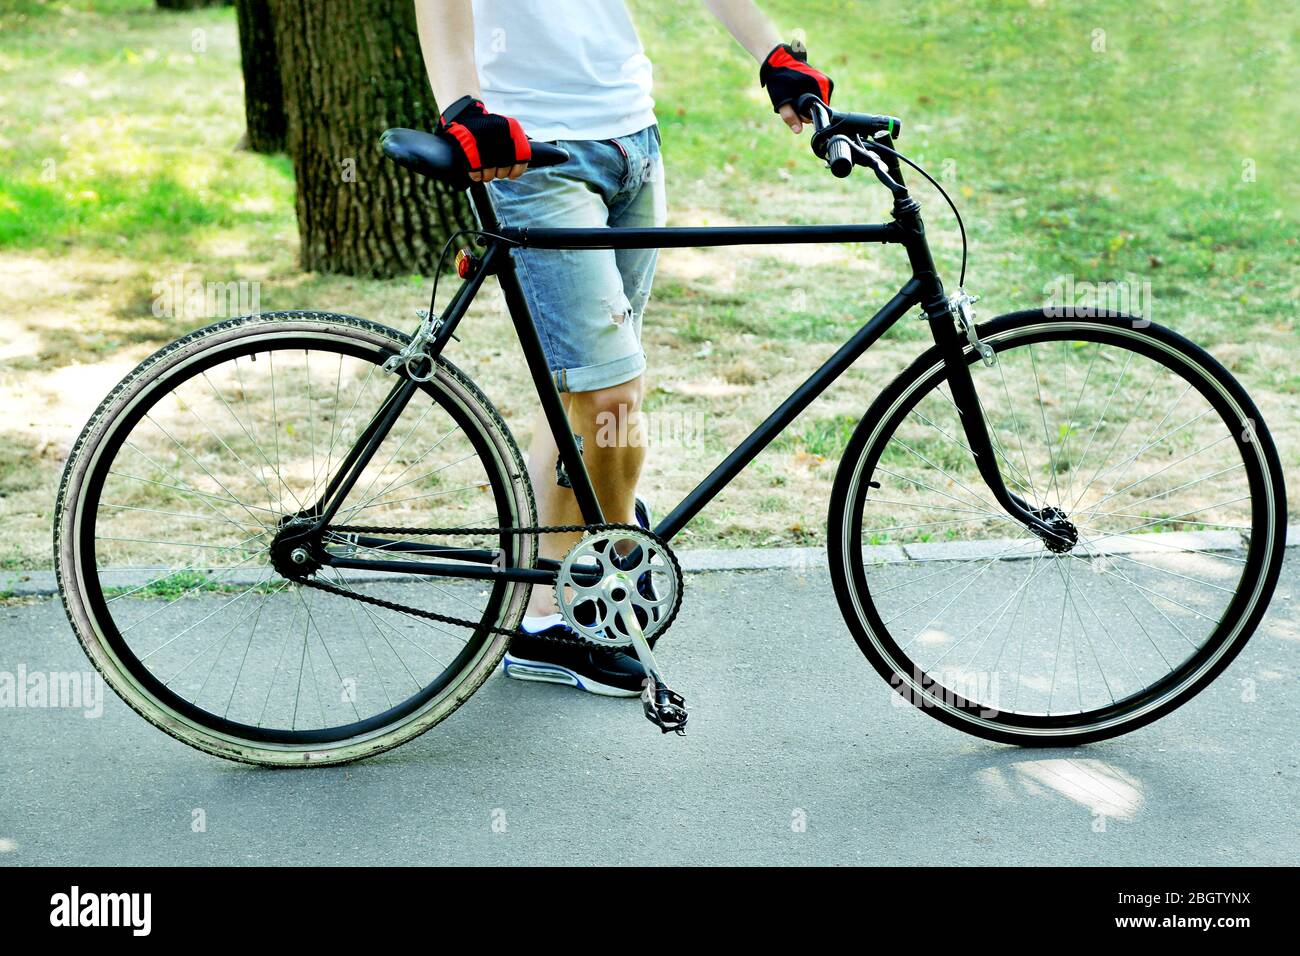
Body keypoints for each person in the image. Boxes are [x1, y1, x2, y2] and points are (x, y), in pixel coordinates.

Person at [416, 0, 833, 696]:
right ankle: (587, 585)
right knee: (609, 394)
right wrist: (462, 104)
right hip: (529, 155)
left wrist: (774, 54)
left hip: (632, 142)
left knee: (586, 392)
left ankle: (543, 608)